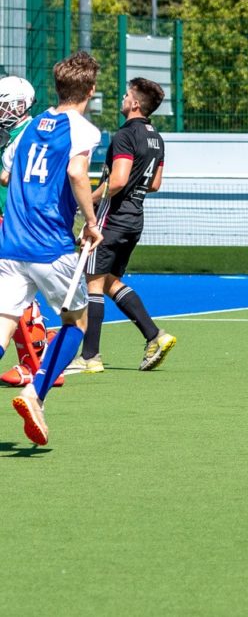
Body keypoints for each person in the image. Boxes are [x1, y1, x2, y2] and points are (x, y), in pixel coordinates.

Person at [0, 51, 104, 446]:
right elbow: (77, 171)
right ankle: (34, 394)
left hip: (11, 244)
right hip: (49, 246)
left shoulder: (27, 129)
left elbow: (9, 177)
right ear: (89, 90)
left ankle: (33, 391)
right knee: (76, 322)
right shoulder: (84, 131)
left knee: (3, 328)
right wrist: (91, 223)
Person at [65, 77, 176, 375]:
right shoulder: (156, 137)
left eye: (127, 95)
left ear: (135, 104)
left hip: (112, 219)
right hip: (134, 218)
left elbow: (118, 180)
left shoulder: (126, 134)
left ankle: (90, 356)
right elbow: (154, 183)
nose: (123, 98)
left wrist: (90, 197)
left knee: (93, 284)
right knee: (110, 280)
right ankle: (155, 335)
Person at [0, 75, 67, 390]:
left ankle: (36, 358)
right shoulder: (10, 133)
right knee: (17, 292)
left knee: (16, 289)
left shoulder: (29, 132)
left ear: (18, 105)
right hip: (11, 219)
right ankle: (40, 350)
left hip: (18, 221)